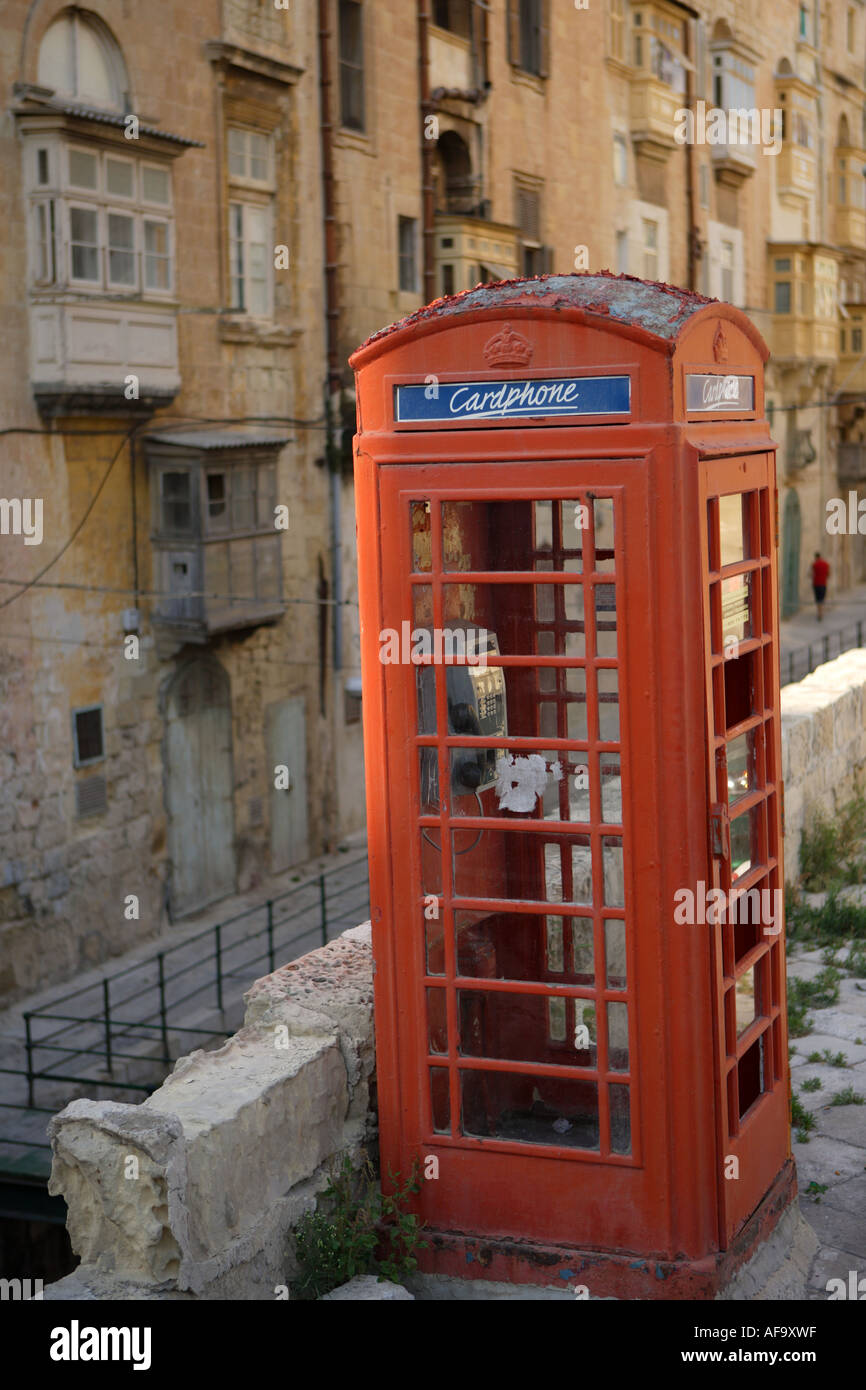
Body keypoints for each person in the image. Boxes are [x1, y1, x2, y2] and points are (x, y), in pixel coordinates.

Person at [810, 552, 829, 621]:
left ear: (815, 557)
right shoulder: (826, 564)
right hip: (823, 584)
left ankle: (819, 613)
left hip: (816, 584)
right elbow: (828, 574)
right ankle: (821, 613)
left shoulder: (814, 564)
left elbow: (812, 574)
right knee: (822, 599)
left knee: (818, 599)